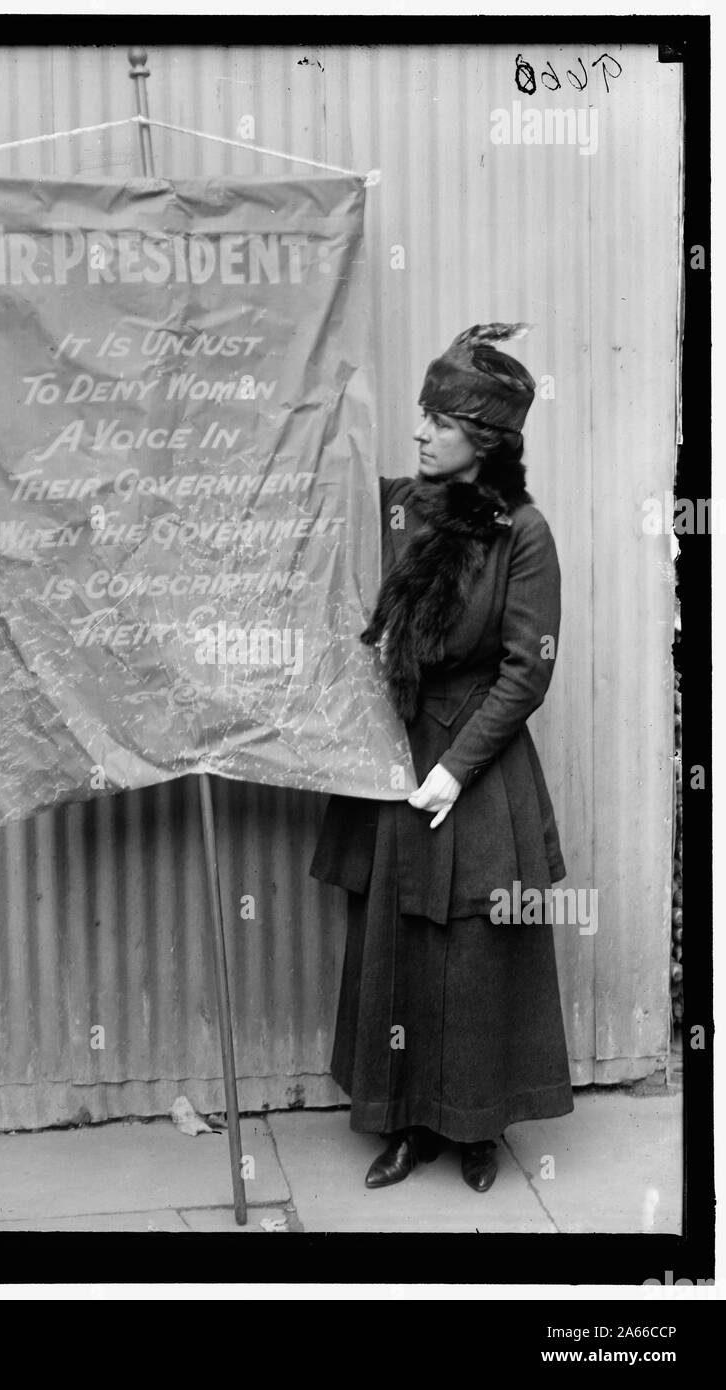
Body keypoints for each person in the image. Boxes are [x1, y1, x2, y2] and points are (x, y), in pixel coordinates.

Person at [310, 322, 574, 1194]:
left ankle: (477, 1127)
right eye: (421, 416)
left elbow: (525, 672)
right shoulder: (392, 505)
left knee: (473, 953)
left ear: (484, 441)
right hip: (395, 752)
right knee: (402, 948)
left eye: (440, 420)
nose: (419, 432)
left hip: (477, 764)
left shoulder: (522, 535)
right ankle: (408, 1125)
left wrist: (456, 769)